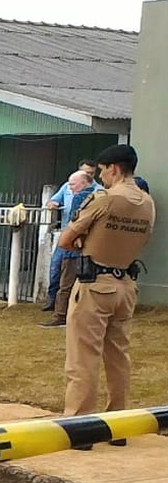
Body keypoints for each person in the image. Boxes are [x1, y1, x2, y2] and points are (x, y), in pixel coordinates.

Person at [58, 144, 155, 448]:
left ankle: (81, 425)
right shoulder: (148, 203)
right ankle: (118, 423)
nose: (101, 177)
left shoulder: (105, 200)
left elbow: (66, 238)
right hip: (126, 283)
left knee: (83, 357)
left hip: (95, 283)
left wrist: (84, 244)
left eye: (102, 171)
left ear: (113, 168)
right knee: (118, 357)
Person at [41, 170, 97, 328]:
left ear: (84, 183)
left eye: (73, 184)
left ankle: (61, 315)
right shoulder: (100, 195)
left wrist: (70, 240)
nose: (69, 188)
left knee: (65, 283)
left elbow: (75, 219)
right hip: (89, 247)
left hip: (73, 245)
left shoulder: (82, 197)